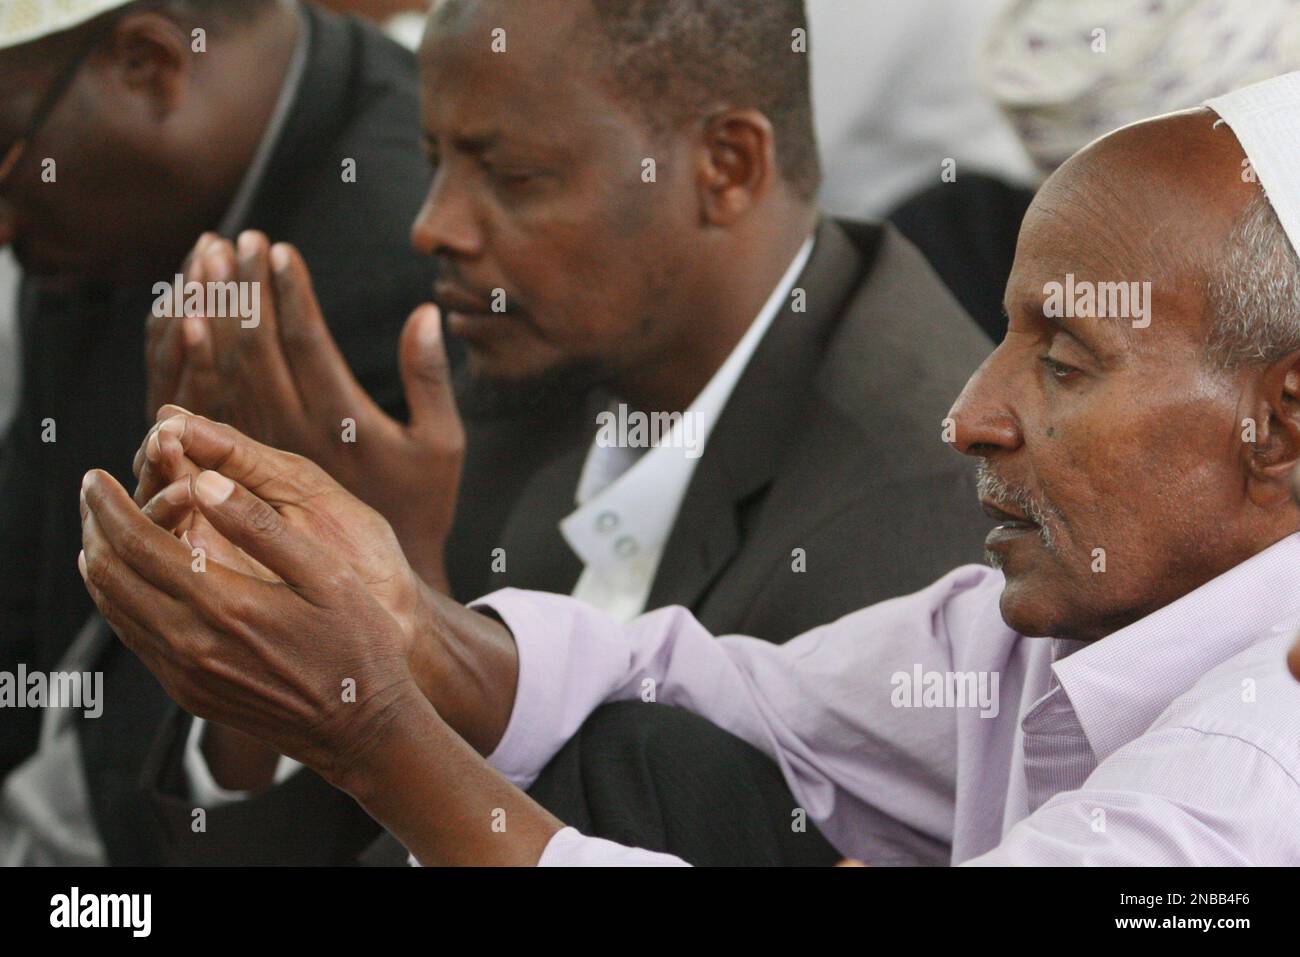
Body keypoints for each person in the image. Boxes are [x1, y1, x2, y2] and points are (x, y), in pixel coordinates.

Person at [84, 72, 1300, 865]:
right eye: (1007, 338)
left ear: (1281, 424)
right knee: (637, 754)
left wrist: (374, 733)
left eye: (1067, 362)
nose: (971, 414)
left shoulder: (1259, 774)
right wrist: (394, 616)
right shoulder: (1040, 621)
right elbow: (717, 693)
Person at [123, 0, 992, 864]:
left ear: (726, 165)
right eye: (434, 161)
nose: (434, 224)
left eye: (512, 177)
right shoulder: (526, 377)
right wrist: (283, 596)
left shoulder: (916, 504)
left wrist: (410, 600)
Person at [0, 0, 433, 864]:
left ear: (150, 66)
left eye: (0, 160)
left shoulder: (411, 254)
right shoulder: (99, 201)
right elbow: (26, 563)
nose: (3, 229)